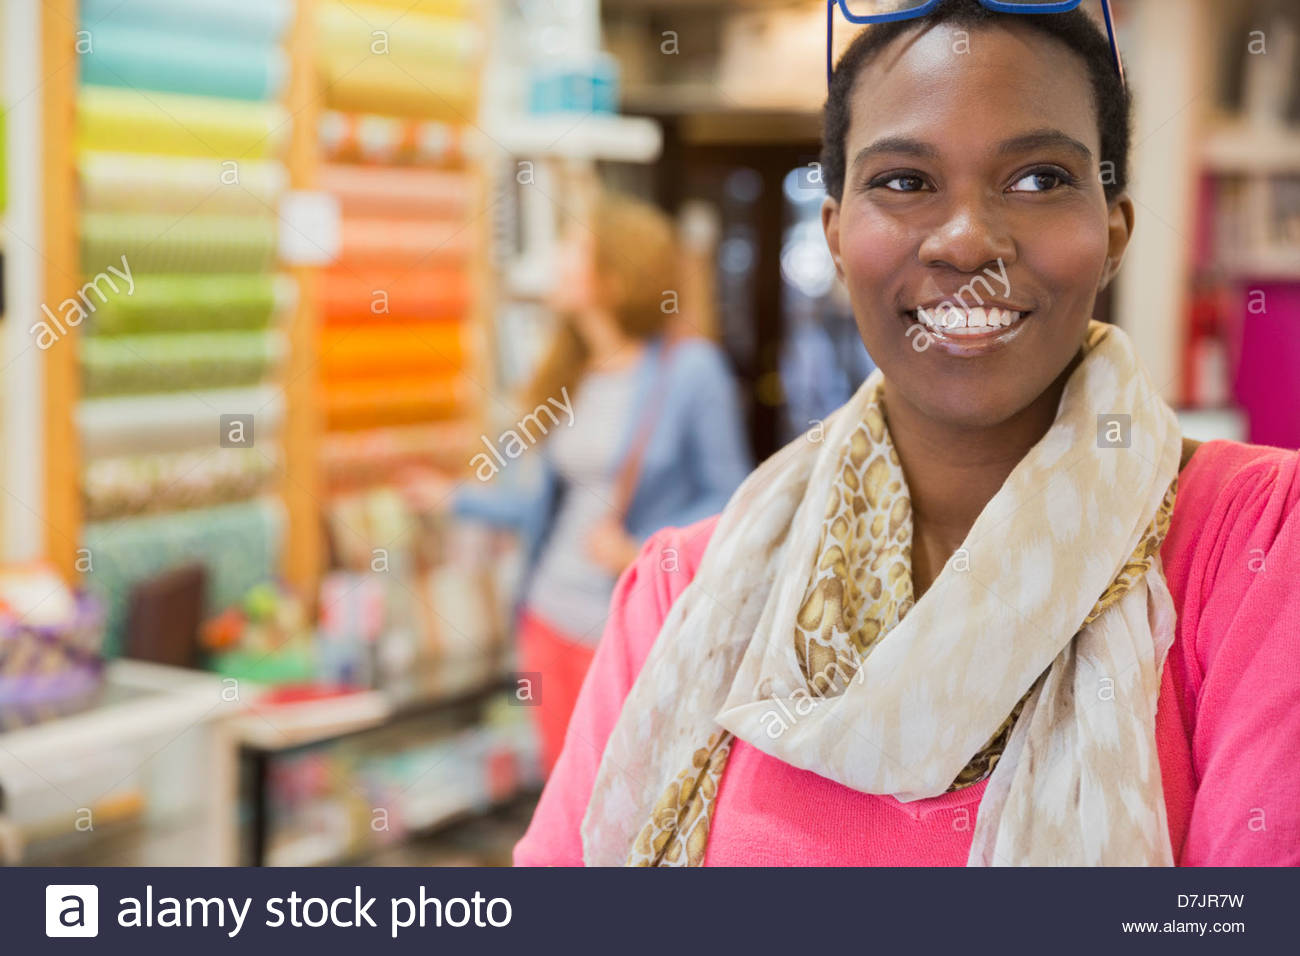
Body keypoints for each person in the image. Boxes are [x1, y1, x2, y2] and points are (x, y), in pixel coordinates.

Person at [515, 0, 1300, 866]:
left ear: (1113, 232)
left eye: (1039, 177)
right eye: (904, 181)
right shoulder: (684, 593)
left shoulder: (1255, 544)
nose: (967, 240)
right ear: (837, 237)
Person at [454, 190, 753, 775]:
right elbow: (545, 507)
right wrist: (454, 499)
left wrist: (645, 547)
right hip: (544, 615)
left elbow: (733, 499)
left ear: (616, 274)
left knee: (616, 802)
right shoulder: (571, 369)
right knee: (559, 802)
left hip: (620, 627)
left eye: (575, 247)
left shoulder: (691, 371)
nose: (559, 259)